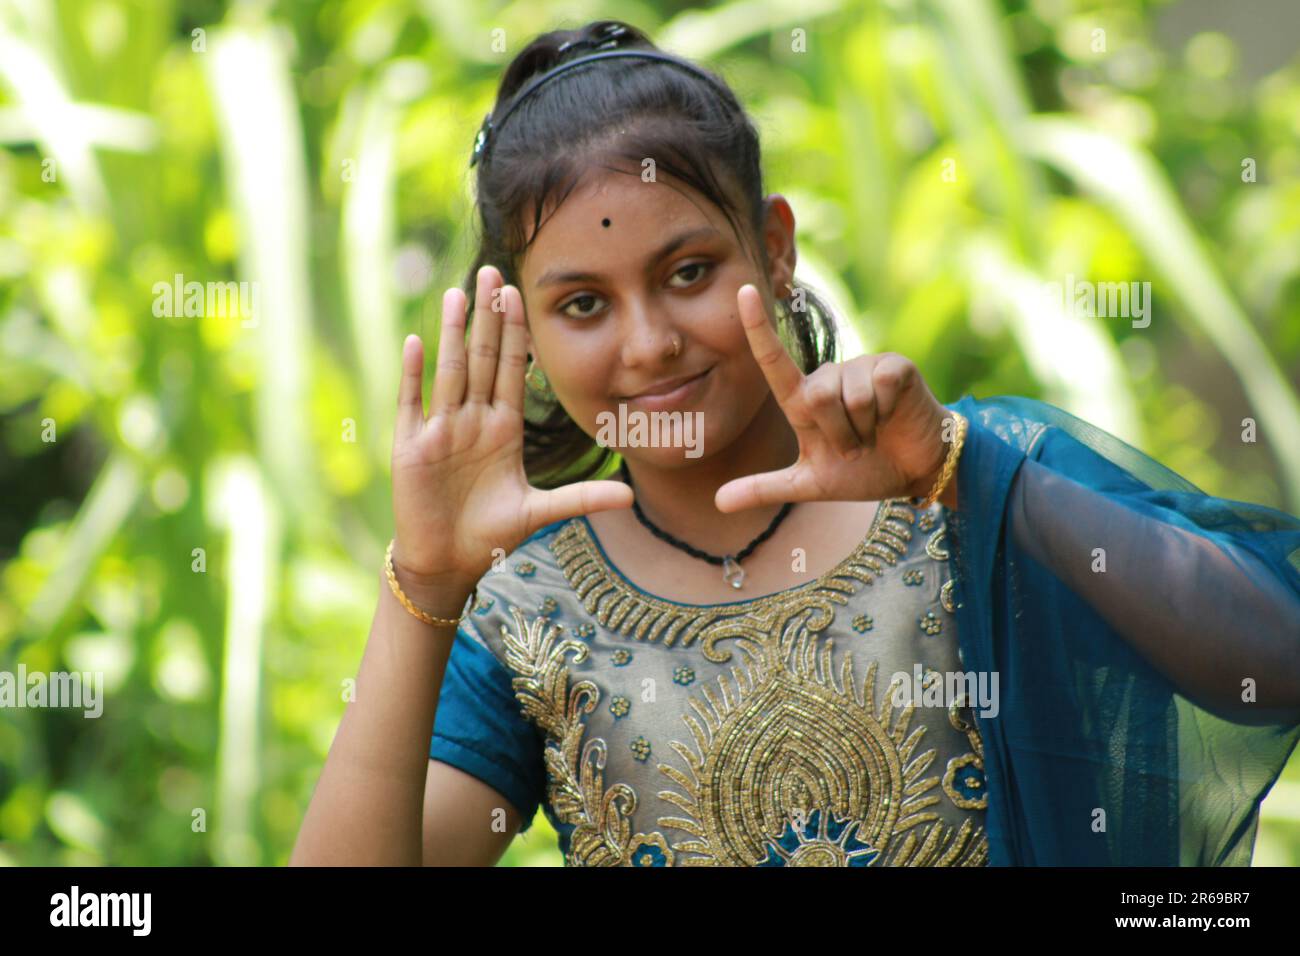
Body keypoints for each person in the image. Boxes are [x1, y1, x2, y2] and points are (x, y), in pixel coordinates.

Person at [290, 19, 1300, 867]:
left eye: (686, 271)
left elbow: (1276, 658)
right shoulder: (527, 614)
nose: (649, 343)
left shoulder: (963, 476)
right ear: (528, 330)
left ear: (773, 250)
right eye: (585, 303)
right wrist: (421, 583)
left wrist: (968, 473)